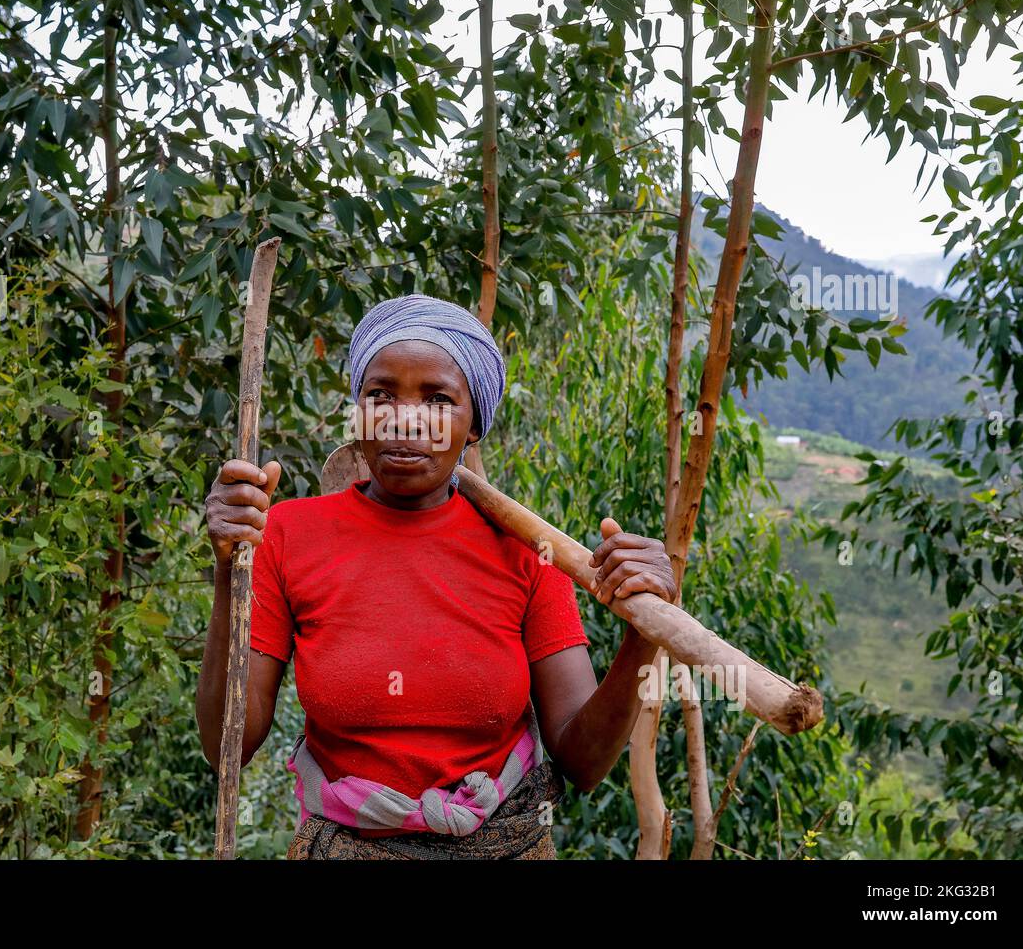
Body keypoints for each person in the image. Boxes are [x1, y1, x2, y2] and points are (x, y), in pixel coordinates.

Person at [198, 294, 676, 859]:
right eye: (380, 394)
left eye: (438, 399)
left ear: (474, 425)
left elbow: (582, 761)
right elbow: (228, 741)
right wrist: (231, 566)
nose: (404, 418)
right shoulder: (285, 534)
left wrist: (646, 631)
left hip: (506, 847)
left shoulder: (529, 550)